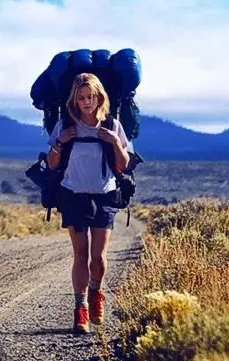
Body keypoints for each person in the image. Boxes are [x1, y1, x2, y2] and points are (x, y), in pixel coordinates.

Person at [47, 73, 130, 334]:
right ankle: (80, 309)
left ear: (99, 97)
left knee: (99, 259)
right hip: (72, 194)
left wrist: (115, 142)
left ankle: (96, 292)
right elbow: (52, 164)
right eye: (81, 97)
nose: (86, 102)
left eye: (90, 97)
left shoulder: (113, 125)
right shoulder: (64, 126)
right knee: (80, 254)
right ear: (74, 99)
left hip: (105, 195)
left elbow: (124, 163)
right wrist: (60, 142)